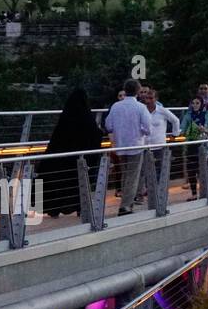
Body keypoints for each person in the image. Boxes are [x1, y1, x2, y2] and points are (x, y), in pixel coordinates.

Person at [38, 88, 105, 218]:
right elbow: (94, 134)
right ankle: (80, 207)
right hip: (79, 161)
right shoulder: (86, 118)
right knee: (79, 183)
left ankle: (54, 209)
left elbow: (56, 139)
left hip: (61, 160)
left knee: (59, 183)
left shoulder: (65, 118)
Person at [105, 79, 151, 215]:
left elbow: (108, 125)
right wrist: (140, 132)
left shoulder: (116, 106)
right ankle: (125, 206)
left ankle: (126, 201)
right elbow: (148, 128)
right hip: (136, 145)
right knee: (133, 175)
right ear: (137, 91)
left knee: (125, 174)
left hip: (120, 145)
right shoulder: (141, 108)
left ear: (125, 90)